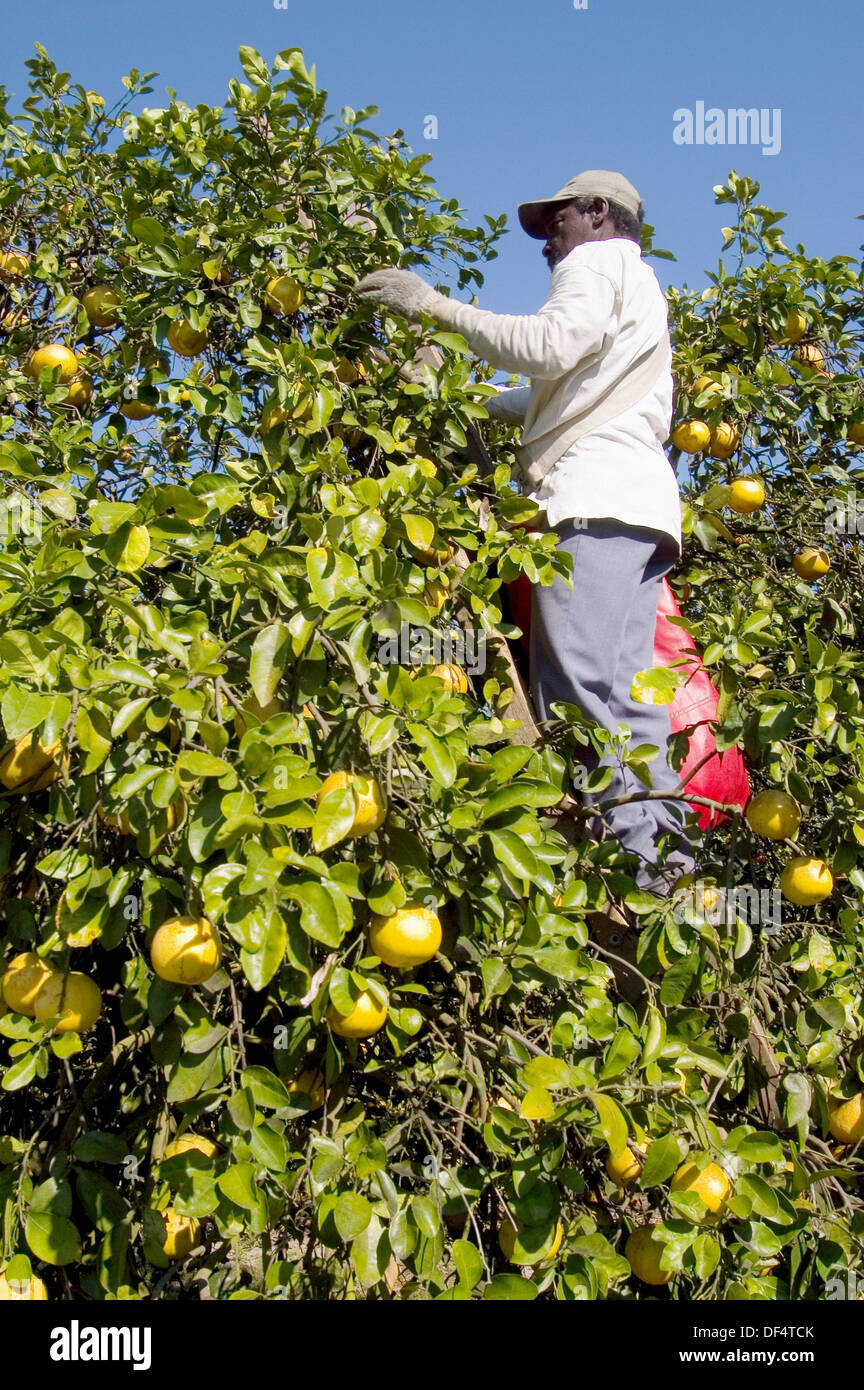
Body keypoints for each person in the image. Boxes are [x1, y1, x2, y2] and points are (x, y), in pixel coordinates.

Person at [355, 169, 697, 897]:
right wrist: (452, 388)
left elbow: (545, 345)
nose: (549, 242)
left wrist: (432, 306)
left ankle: (613, 863)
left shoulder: (596, 262)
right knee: (633, 701)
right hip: (639, 514)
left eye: (556, 222)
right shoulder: (638, 284)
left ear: (598, 212)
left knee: (572, 688)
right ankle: (666, 874)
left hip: (594, 504)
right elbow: (551, 387)